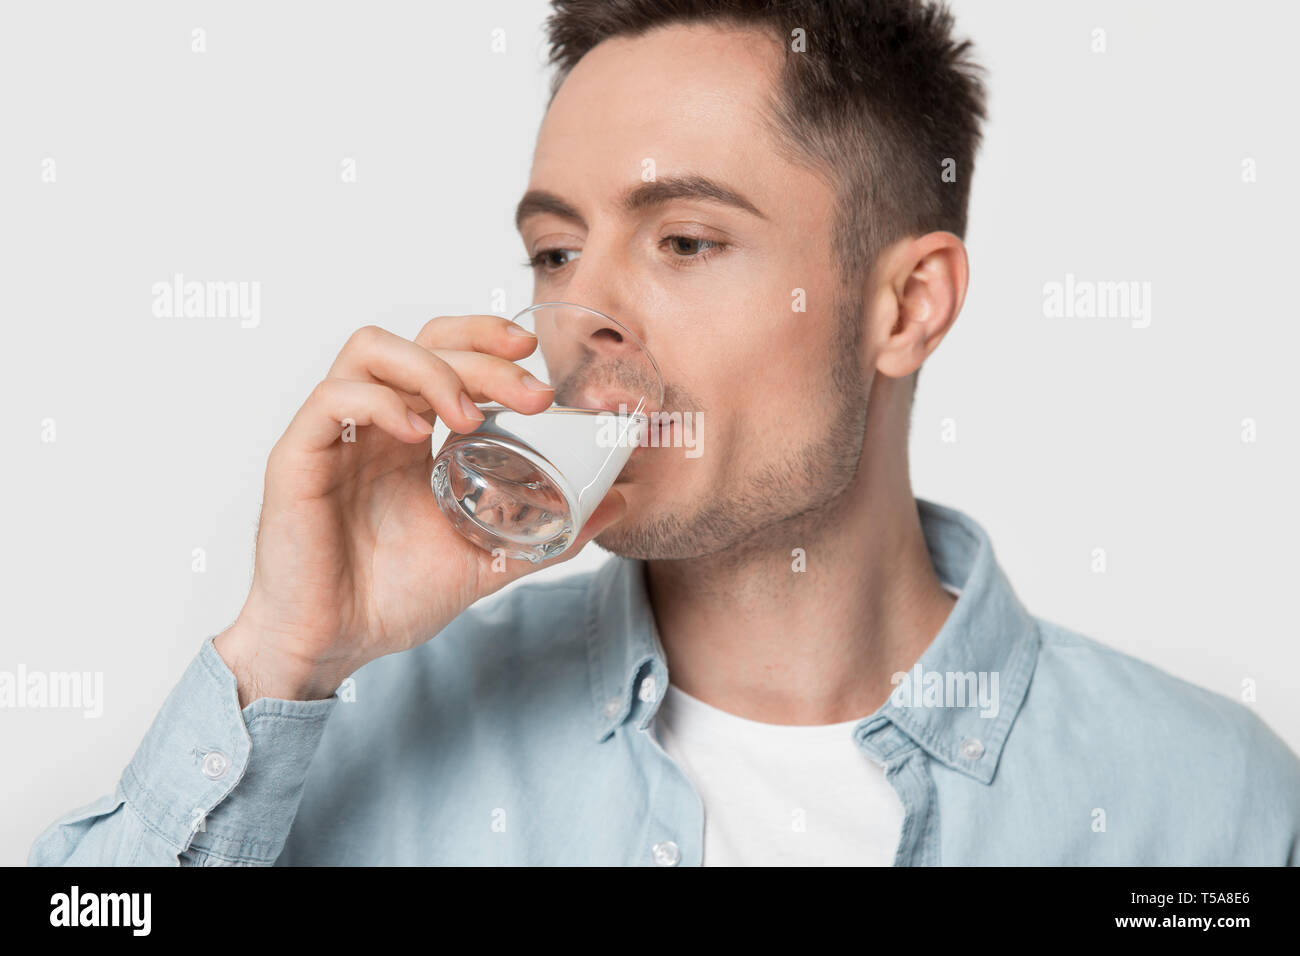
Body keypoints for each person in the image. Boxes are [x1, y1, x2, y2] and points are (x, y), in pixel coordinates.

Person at [30, 0, 1300, 866]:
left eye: (685, 241)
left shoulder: (1204, 801)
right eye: (556, 249)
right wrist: (280, 654)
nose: (588, 317)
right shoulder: (342, 745)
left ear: (904, 305)